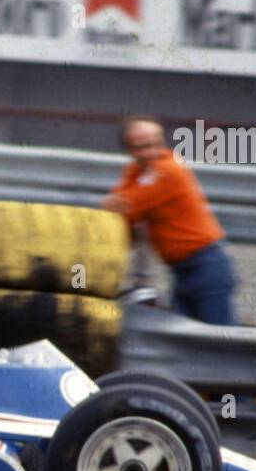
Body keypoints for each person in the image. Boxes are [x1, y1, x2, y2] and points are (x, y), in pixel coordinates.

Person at [102, 116, 239, 326]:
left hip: (206, 267)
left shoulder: (168, 170)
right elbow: (117, 212)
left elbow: (124, 210)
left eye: (155, 144)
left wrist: (119, 205)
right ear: (129, 150)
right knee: (182, 341)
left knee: (221, 340)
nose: (151, 152)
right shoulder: (136, 172)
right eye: (141, 148)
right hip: (183, 272)